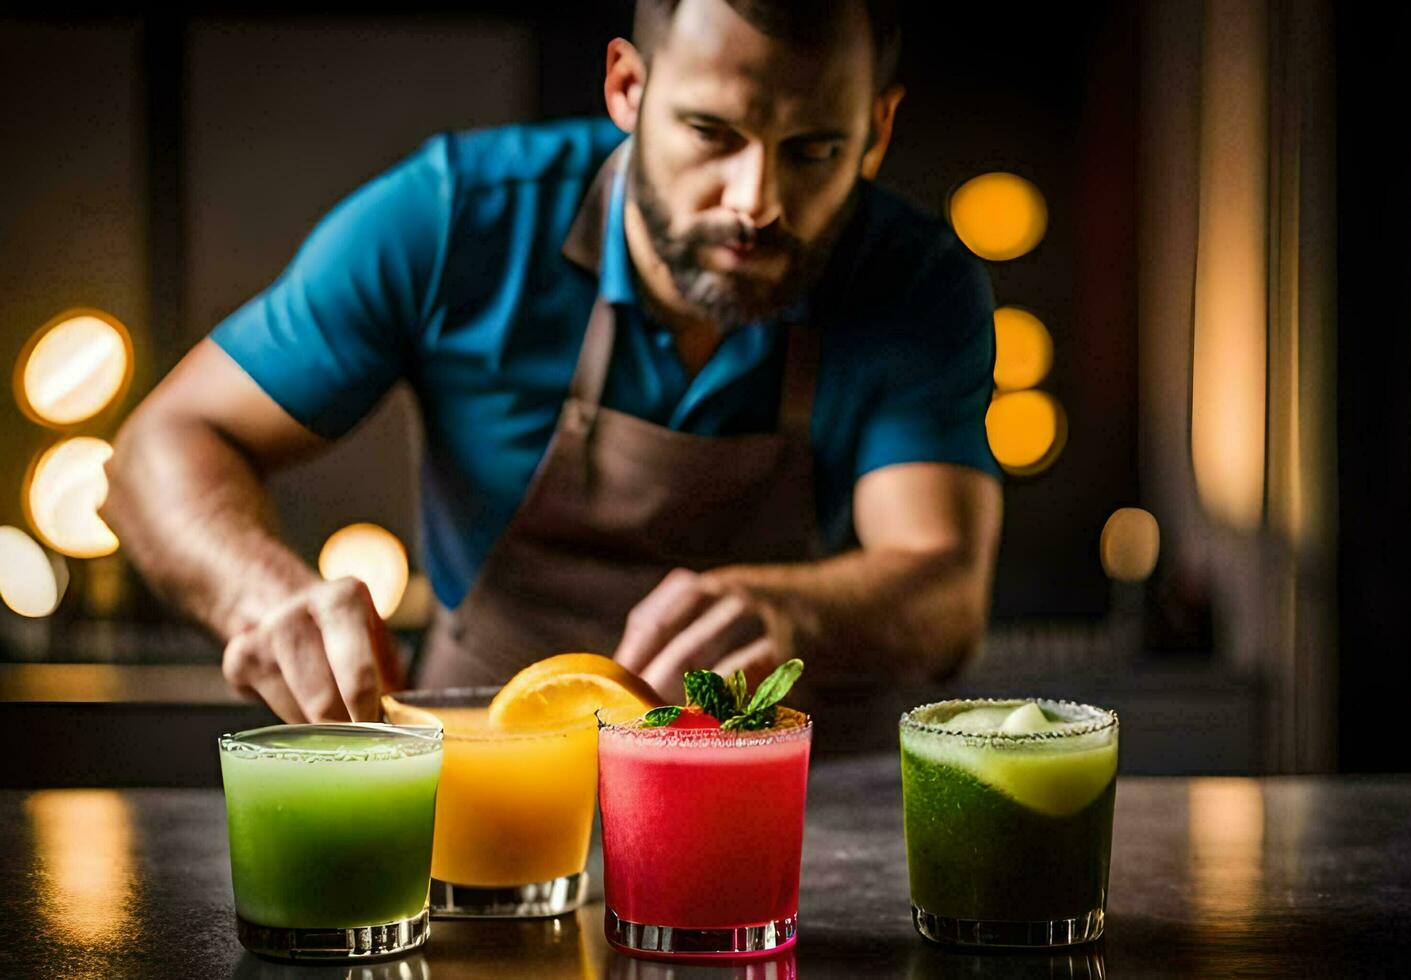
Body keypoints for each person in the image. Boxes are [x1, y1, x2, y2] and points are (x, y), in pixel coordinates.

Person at [102, 0, 1004, 722]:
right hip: (487, 768)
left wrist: (795, 615)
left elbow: (945, 585)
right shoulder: (456, 217)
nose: (756, 202)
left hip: (778, 799)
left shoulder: (917, 282)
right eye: (710, 132)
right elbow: (162, 443)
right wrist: (268, 598)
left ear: (878, 130)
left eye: (814, 150)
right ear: (627, 87)